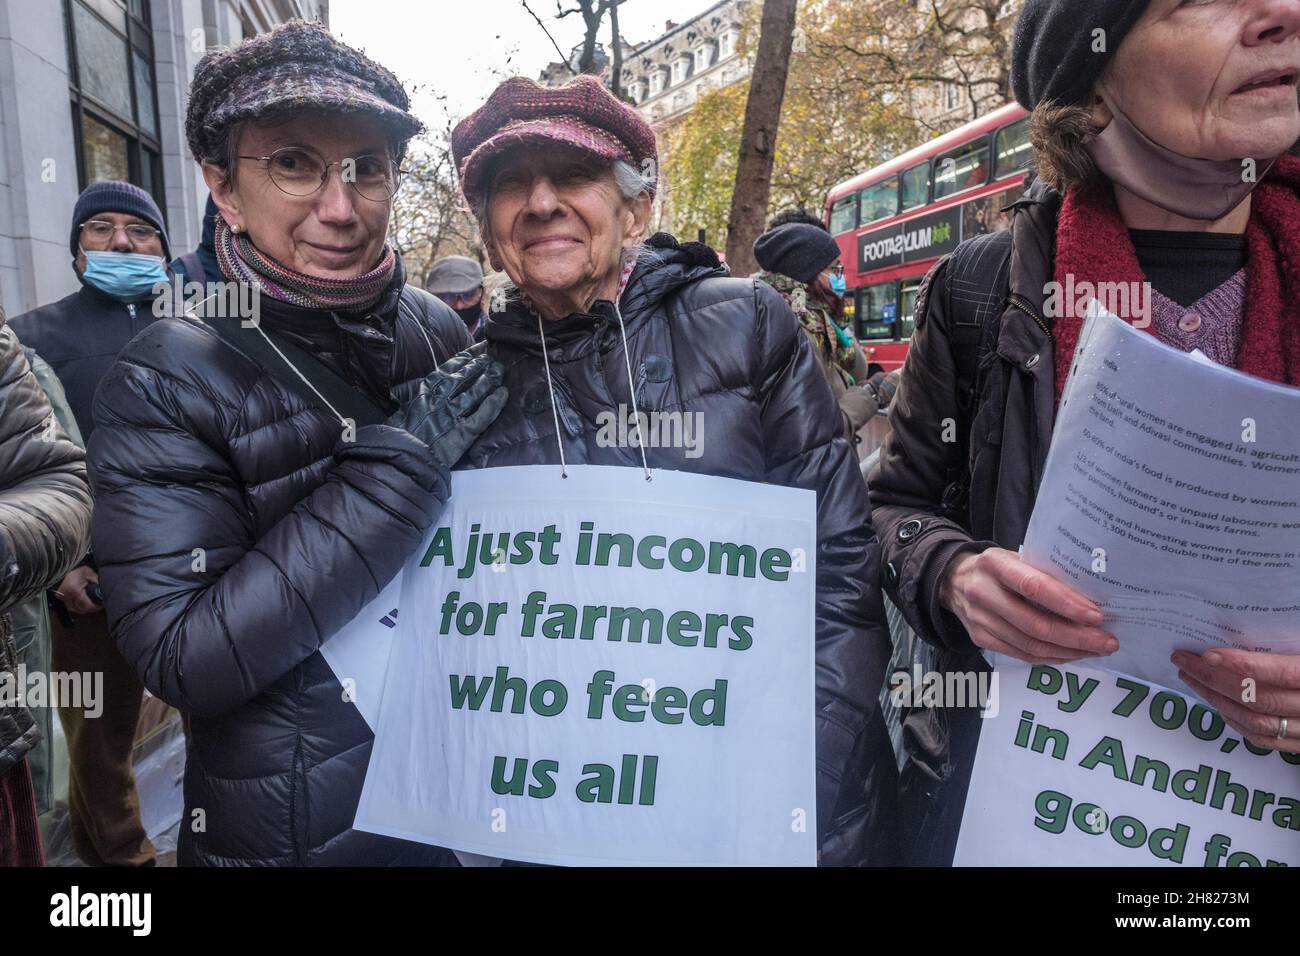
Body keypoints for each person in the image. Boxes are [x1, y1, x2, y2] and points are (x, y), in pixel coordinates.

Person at [869, 0, 1300, 865]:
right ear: (1090, 73)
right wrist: (952, 574)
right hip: (1038, 806)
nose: (1281, 14)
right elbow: (891, 508)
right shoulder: (984, 285)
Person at [87, 19, 506, 867]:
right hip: (297, 831)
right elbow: (182, 654)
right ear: (224, 188)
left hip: (462, 781)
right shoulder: (163, 378)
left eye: (367, 169)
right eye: (293, 163)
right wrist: (392, 482)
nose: (340, 206)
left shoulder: (436, 326)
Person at [451, 75, 898, 865]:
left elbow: (840, 578)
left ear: (636, 209)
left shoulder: (747, 327)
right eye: (510, 182)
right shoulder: (466, 390)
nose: (542, 200)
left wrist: (793, 782)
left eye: (574, 174)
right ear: (489, 231)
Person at [8, 179, 171, 867]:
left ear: (163, 247)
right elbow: (25, 473)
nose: (120, 243)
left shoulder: (206, 324)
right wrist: (63, 569)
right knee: (100, 750)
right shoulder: (29, 340)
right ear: (77, 249)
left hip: (195, 573)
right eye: (99, 229)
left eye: (139, 232)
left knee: (229, 728)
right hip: (88, 591)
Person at [0, 312, 93, 866]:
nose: (121, 245)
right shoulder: (43, 330)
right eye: (100, 226)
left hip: (42, 604)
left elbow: (56, 478)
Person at [752, 222, 897, 447]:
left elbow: (855, 369)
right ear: (807, 275)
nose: (841, 277)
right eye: (834, 269)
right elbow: (815, 432)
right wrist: (872, 394)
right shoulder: (795, 329)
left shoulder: (819, 320)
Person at [425, 254, 487, 342]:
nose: (459, 306)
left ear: (482, 293)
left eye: (468, 295)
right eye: (447, 297)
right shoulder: (422, 336)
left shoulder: (497, 335)